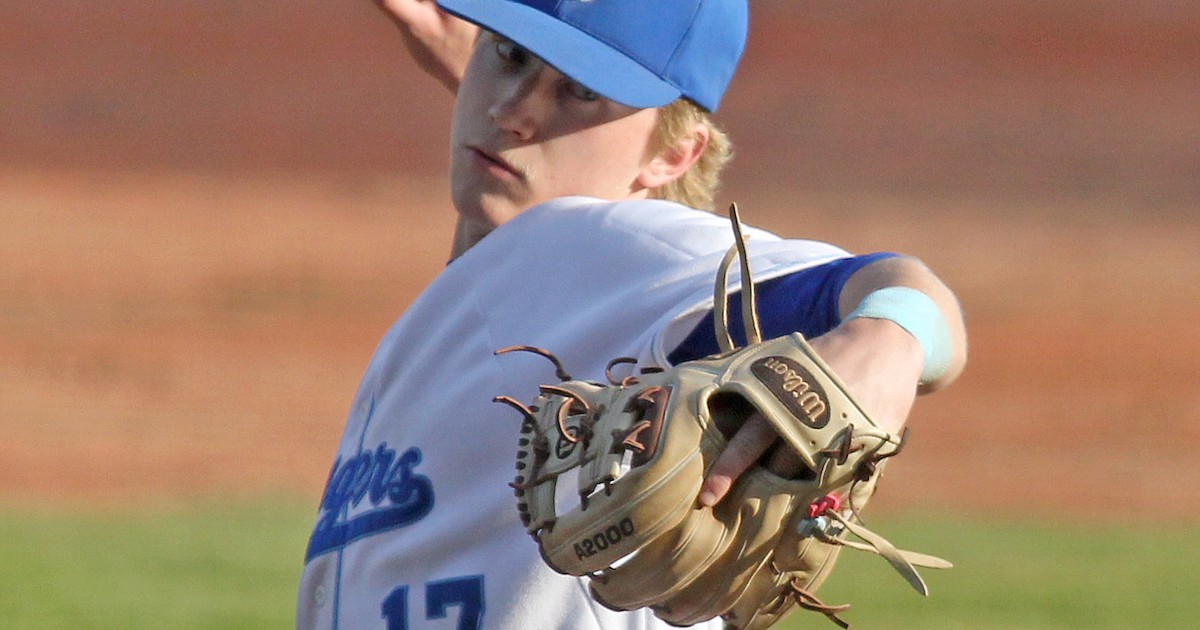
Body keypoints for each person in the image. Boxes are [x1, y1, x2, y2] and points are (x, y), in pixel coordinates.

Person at [295, 1, 968, 628]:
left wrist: (888, 341)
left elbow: (903, 291)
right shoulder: (519, 261)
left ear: (675, 154)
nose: (509, 112)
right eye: (508, 53)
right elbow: (537, 116)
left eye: (582, 92)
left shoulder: (619, 252)